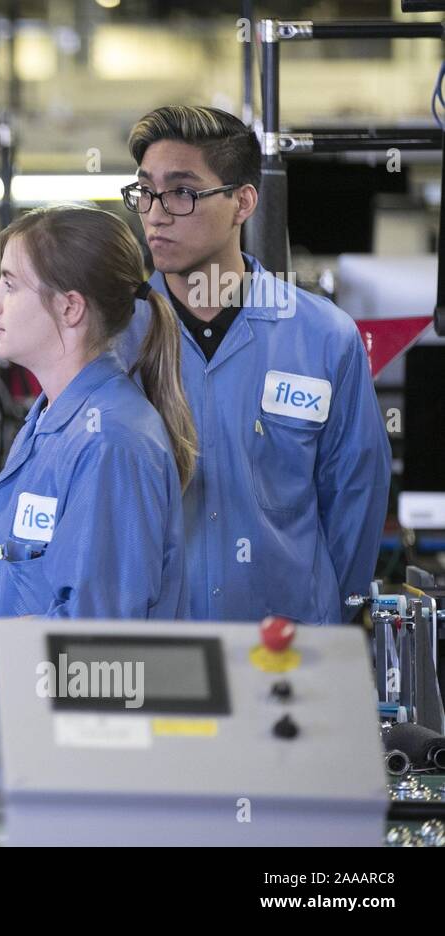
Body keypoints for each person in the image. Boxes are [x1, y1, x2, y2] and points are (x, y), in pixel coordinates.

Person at [0, 206, 195, 742]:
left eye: (9, 282)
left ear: (70, 307)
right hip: (14, 748)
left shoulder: (111, 443)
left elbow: (96, 649)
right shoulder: (50, 421)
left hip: (71, 768)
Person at [114, 105, 390, 624]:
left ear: (243, 202)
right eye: (145, 191)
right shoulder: (113, 339)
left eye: (181, 192)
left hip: (284, 653)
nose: (154, 213)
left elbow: (356, 497)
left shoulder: (323, 338)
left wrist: (325, 621)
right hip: (152, 651)